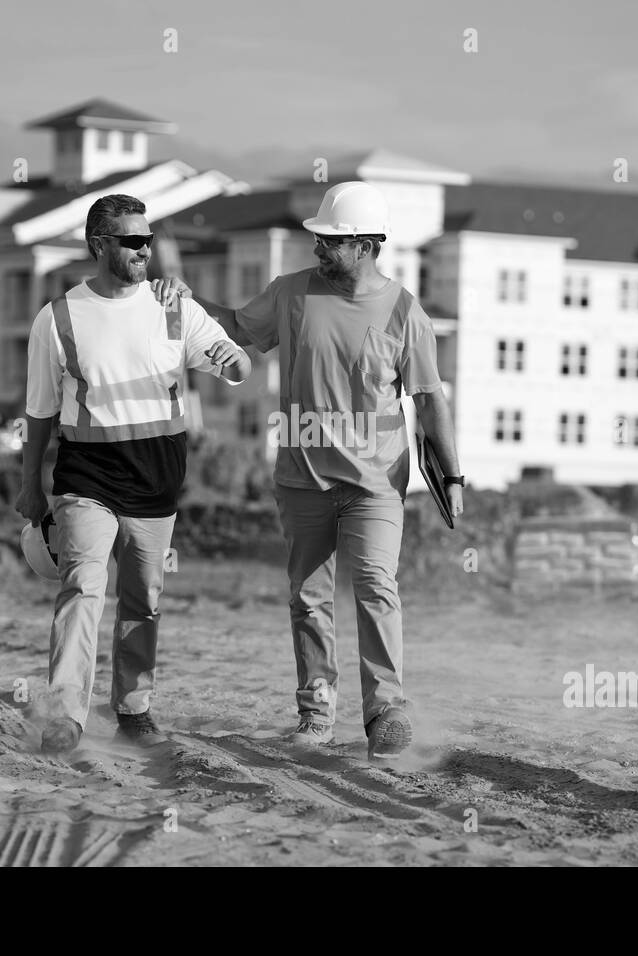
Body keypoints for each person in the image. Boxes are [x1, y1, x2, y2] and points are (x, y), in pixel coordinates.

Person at [159, 181, 464, 760]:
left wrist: (451, 474)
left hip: (376, 481)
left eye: (331, 241)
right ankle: (317, 712)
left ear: (366, 245)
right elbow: (236, 330)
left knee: (376, 585)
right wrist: (185, 302)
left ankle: (385, 709)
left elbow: (428, 398)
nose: (318, 249)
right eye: (319, 239)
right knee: (308, 597)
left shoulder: (405, 312)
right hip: (301, 476)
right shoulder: (291, 294)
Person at [15, 193, 250, 754]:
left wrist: (231, 361)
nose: (146, 249)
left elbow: (232, 359)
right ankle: (65, 714)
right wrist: (29, 485)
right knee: (83, 586)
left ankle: (133, 707)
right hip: (85, 478)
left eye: (148, 239)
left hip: (156, 479)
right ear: (100, 245)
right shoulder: (58, 319)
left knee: (143, 598)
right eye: (133, 241)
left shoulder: (174, 307)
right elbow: (40, 412)